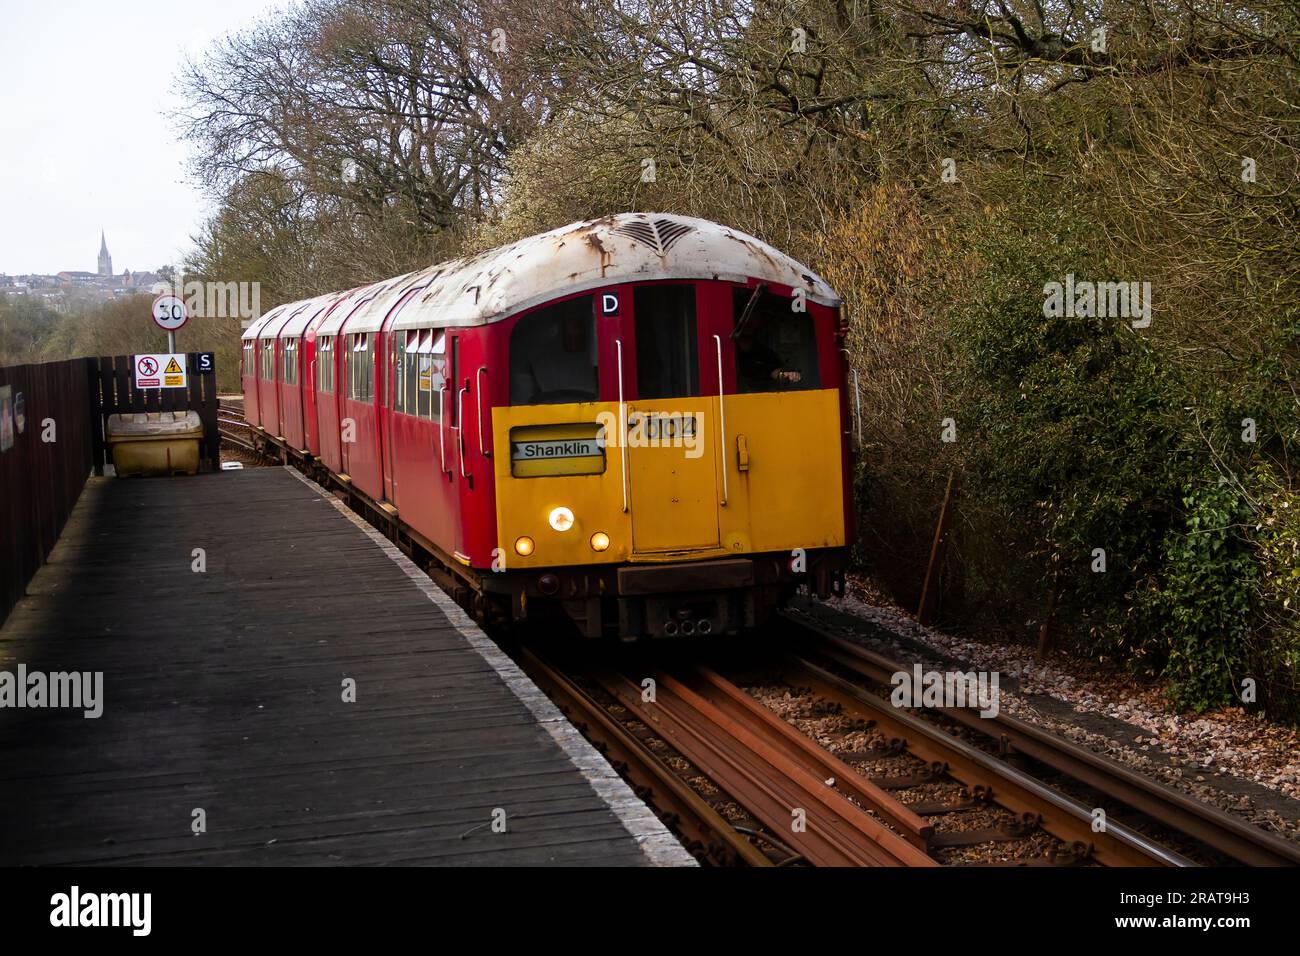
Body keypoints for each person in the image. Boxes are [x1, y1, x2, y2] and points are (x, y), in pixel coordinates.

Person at [734, 329, 803, 390]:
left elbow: (772, 370)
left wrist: (785, 375)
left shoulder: (762, 352)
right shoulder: (731, 351)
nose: (744, 342)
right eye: (742, 338)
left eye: (746, 338)